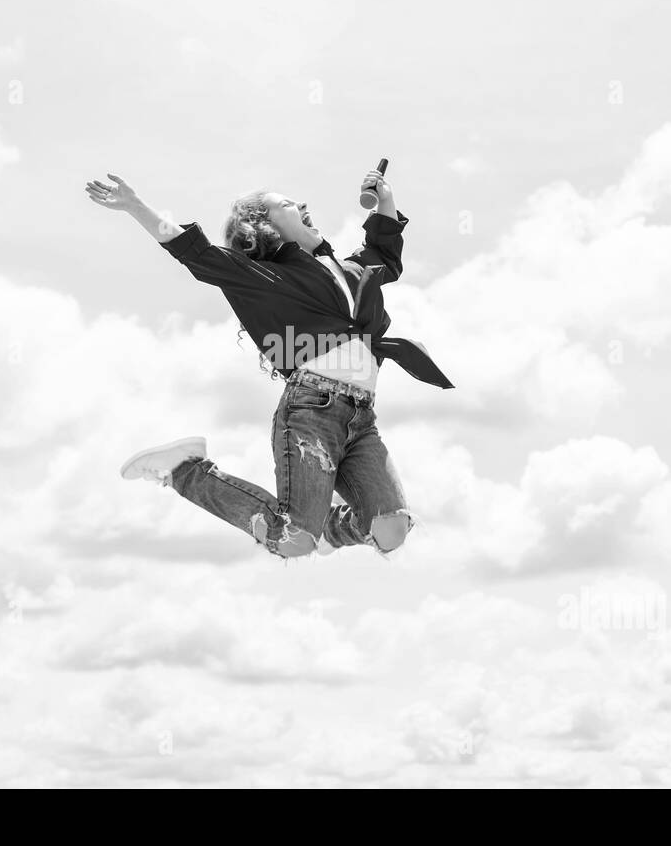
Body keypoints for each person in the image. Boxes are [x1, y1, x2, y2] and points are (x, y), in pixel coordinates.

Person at [84, 167, 453, 561]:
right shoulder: (267, 277)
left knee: (391, 529)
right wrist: (134, 206)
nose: (303, 206)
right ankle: (186, 469)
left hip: (361, 418)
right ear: (264, 226)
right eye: (287, 204)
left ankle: (322, 529)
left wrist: (386, 200)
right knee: (293, 542)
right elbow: (196, 254)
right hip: (311, 412)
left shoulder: (349, 270)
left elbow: (385, 255)